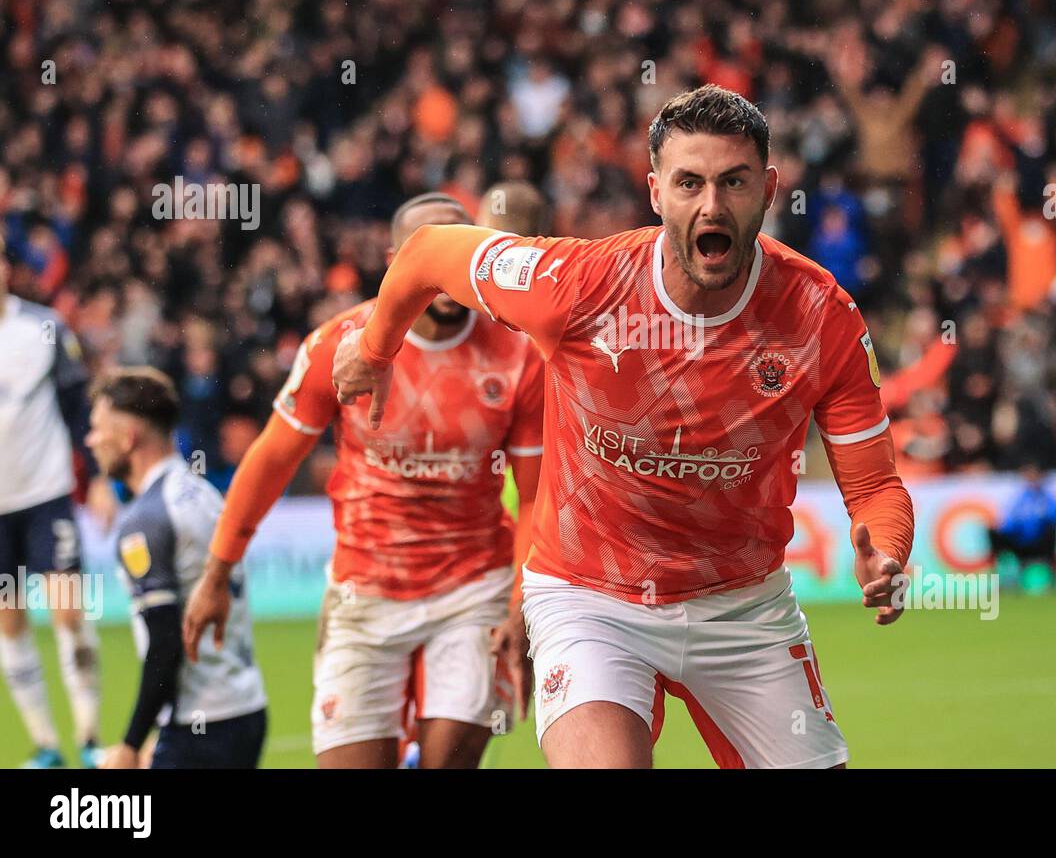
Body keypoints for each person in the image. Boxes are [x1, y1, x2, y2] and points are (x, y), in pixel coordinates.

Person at [332, 85, 916, 769]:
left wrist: (889, 551)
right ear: (654, 191)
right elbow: (427, 250)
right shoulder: (576, 283)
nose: (711, 205)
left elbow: (876, 486)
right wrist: (374, 349)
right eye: (689, 182)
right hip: (589, 598)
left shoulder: (824, 316)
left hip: (742, 607)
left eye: (734, 181)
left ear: (770, 188)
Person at [184, 193, 544, 769]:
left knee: (449, 761)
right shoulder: (340, 343)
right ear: (396, 259)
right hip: (364, 587)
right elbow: (272, 460)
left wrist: (521, 607)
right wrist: (217, 570)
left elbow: (535, 494)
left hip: (473, 588)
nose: (446, 274)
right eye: (430, 256)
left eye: (460, 253)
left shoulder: (518, 355)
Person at [85, 367, 267, 768]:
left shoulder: (145, 519)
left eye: (98, 428)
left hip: (200, 725)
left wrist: (131, 744)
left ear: (128, 437)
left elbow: (165, 641)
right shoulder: (202, 493)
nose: (90, 440)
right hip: (242, 706)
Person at [0, 234, 103, 768]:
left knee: (69, 611)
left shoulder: (41, 327)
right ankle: (45, 745)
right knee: (10, 622)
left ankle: (88, 739)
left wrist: (103, 479)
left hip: (46, 497)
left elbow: (78, 408)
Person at [988, 466, 1056, 589]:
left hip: (1040, 542)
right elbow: (1009, 523)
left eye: (1034, 477)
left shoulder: (1047, 499)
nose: (1031, 480)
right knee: (993, 532)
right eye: (1029, 477)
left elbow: (1054, 516)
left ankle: (1051, 581)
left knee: (1050, 533)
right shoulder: (1019, 499)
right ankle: (1003, 580)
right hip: (1019, 541)